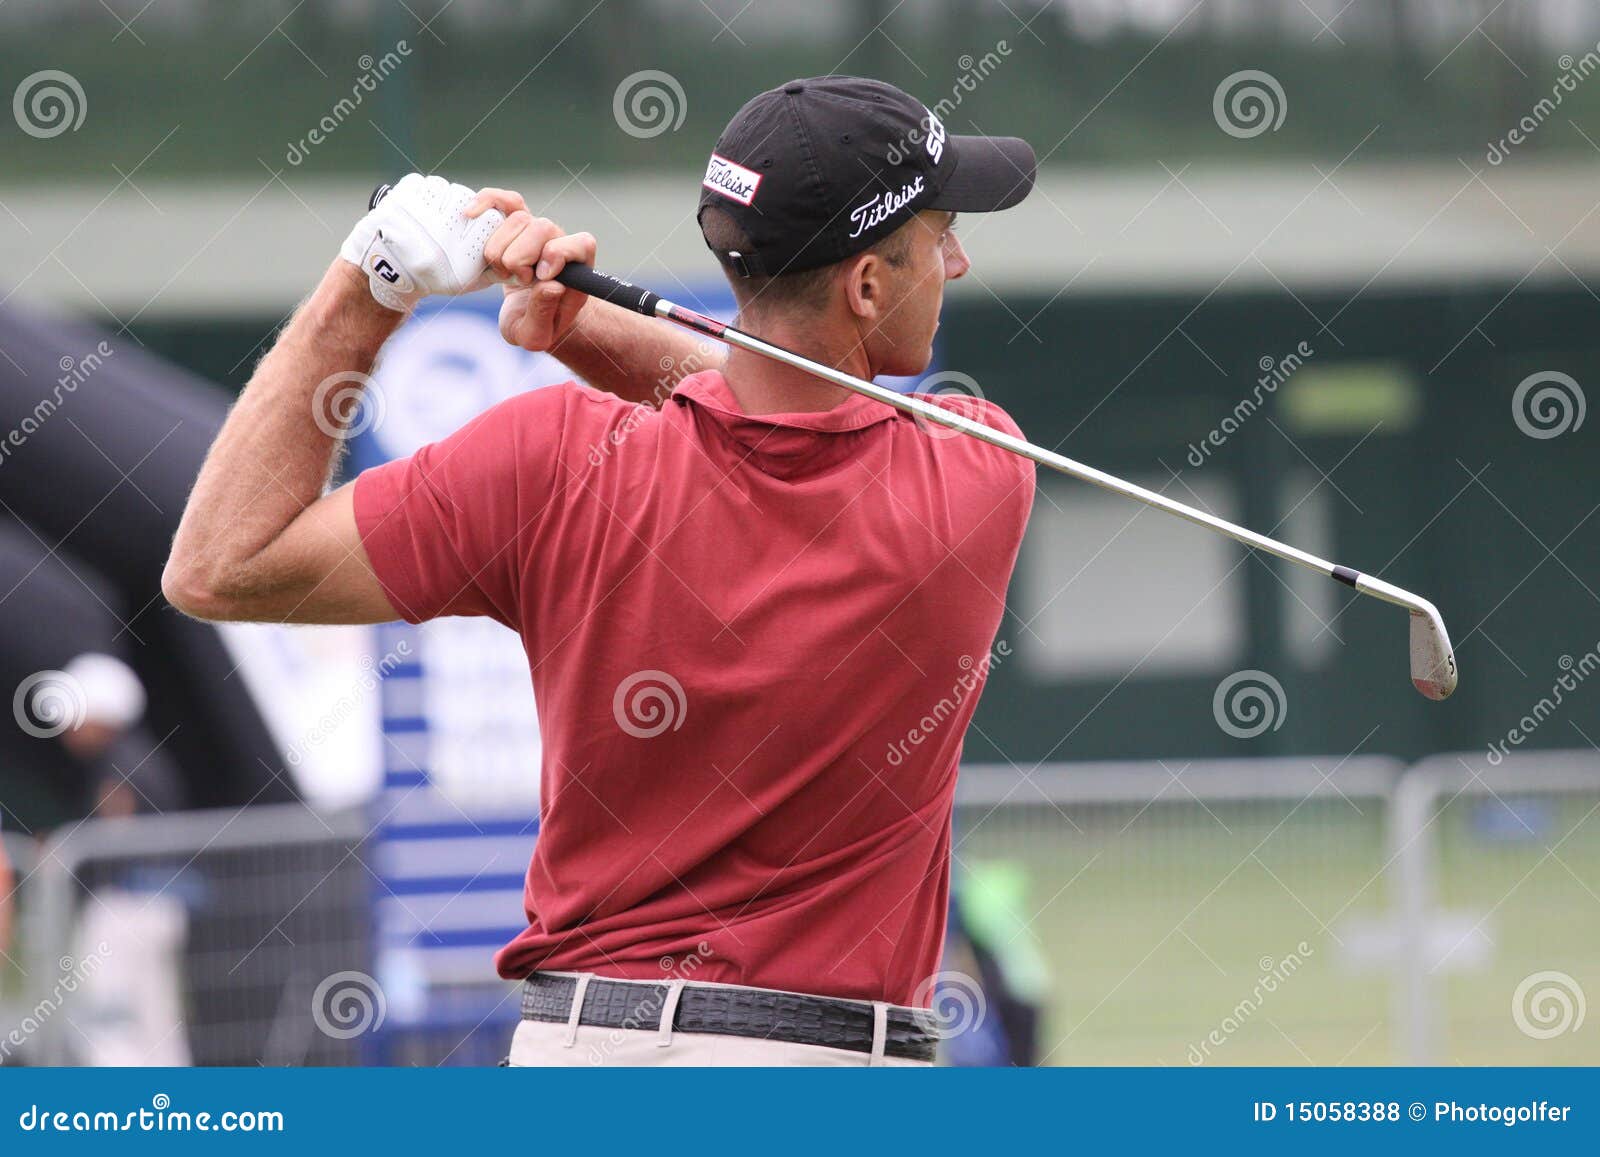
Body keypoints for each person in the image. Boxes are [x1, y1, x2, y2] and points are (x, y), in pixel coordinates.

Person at [164, 76, 1037, 1066]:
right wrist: (582, 329)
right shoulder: (974, 466)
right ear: (867, 287)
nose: (956, 259)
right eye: (937, 236)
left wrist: (367, 290)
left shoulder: (548, 462)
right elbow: (763, 400)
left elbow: (221, 566)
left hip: (578, 1056)